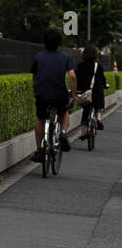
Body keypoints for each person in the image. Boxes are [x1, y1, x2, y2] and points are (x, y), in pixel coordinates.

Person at [30, 27, 77, 163]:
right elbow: (72, 76)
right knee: (64, 111)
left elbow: (34, 75)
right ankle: (62, 134)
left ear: (44, 42)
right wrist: (73, 96)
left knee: (40, 118)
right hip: (59, 94)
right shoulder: (66, 57)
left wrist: (36, 89)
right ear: (59, 42)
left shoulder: (38, 57)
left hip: (42, 95)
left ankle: (39, 150)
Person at [74, 44, 106, 140]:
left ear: (84, 55)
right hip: (97, 92)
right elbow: (102, 79)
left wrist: (77, 90)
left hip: (85, 93)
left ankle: (83, 133)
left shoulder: (79, 66)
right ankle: (99, 119)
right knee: (98, 106)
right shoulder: (98, 66)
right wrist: (105, 85)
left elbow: (76, 79)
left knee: (86, 110)